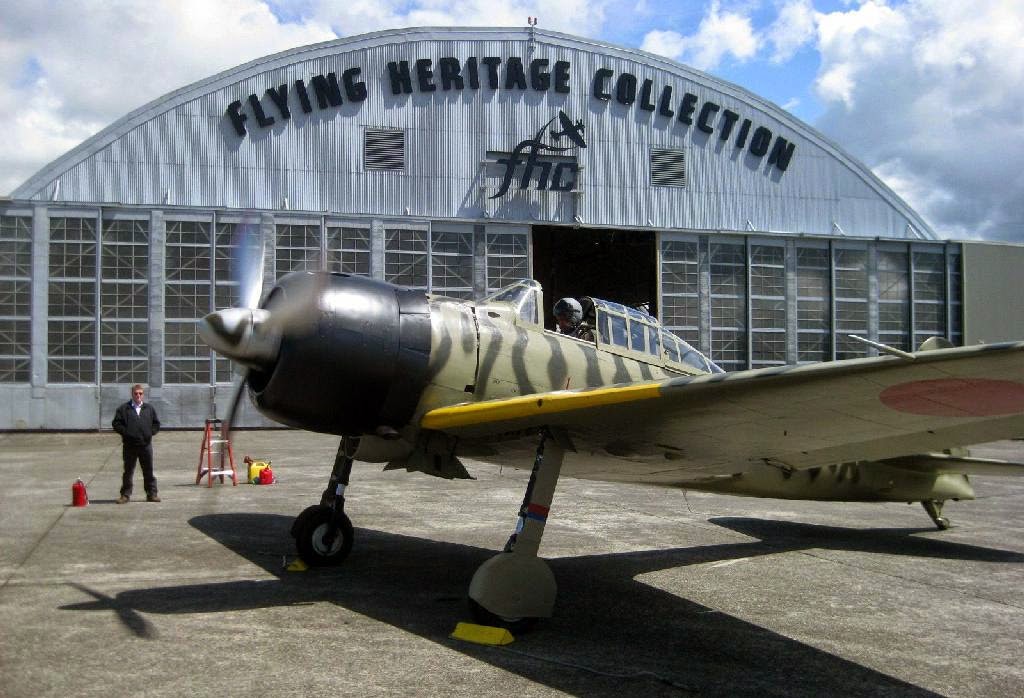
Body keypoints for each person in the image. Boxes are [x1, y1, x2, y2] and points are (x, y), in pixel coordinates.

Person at [112, 384, 161, 503]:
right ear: (132, 394)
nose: (138, 395)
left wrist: (150, 433)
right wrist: (127, 433)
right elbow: (116, 424)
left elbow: (156, 423)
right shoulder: (123, 409)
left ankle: (152, 494)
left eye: (140, 393)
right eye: (136, 393)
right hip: (130, 446)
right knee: (128, 471)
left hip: (145, 445)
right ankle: (125, 495)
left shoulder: (149, 409)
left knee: (148, 471)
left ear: (143, 394)